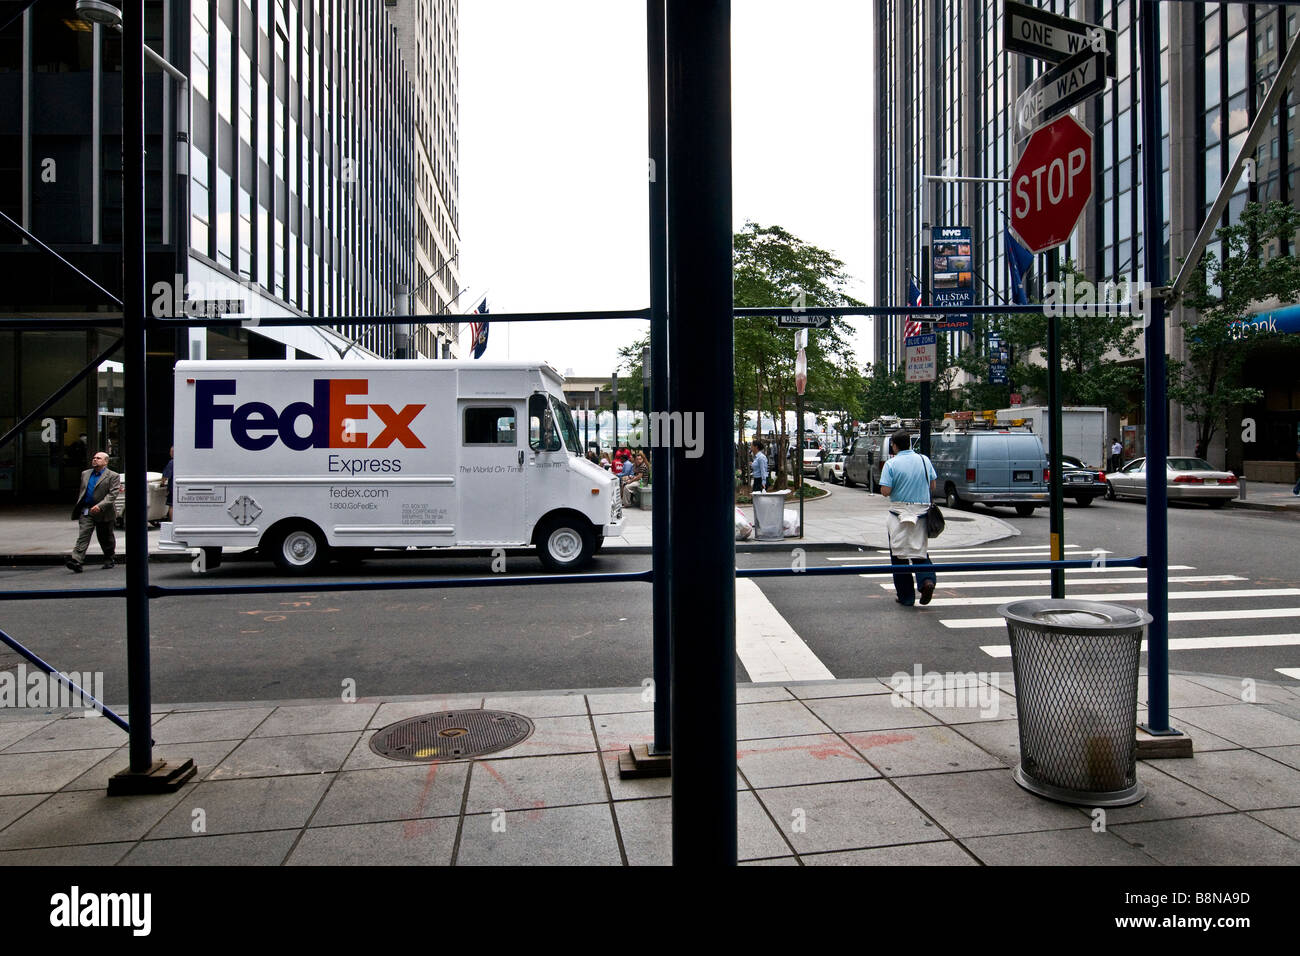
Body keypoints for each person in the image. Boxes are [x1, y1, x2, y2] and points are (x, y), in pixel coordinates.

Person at [878, 430, 937, 606]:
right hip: (922, 513)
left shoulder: (891, 464)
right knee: (919, 550)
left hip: (899, 514)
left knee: (899, 555)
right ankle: (927, 580)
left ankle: (906, 597)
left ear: (894, 446)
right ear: (910, 443)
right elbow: (932, 485)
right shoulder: (924, 460)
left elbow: (885, 491)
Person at [67, 451, 120, 572]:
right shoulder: (85, 474)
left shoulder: (113, 476)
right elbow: (83, 491)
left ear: (106, 462)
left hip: (104, 512)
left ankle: (109, 558)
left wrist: (100, 506)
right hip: (87, 510)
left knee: (106, 537)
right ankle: (77, 560)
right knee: (83, 535)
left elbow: (113, 494)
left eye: (98, 458)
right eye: (94, 458)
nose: (95, 460)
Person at [161, 445, 175, 521]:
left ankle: (172, 521)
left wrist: (162, 483)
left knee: (171, 506)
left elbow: (166, 475)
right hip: (178, 488)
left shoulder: (172, 462)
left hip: (172, 488)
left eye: (170, 451)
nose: (169, 453)